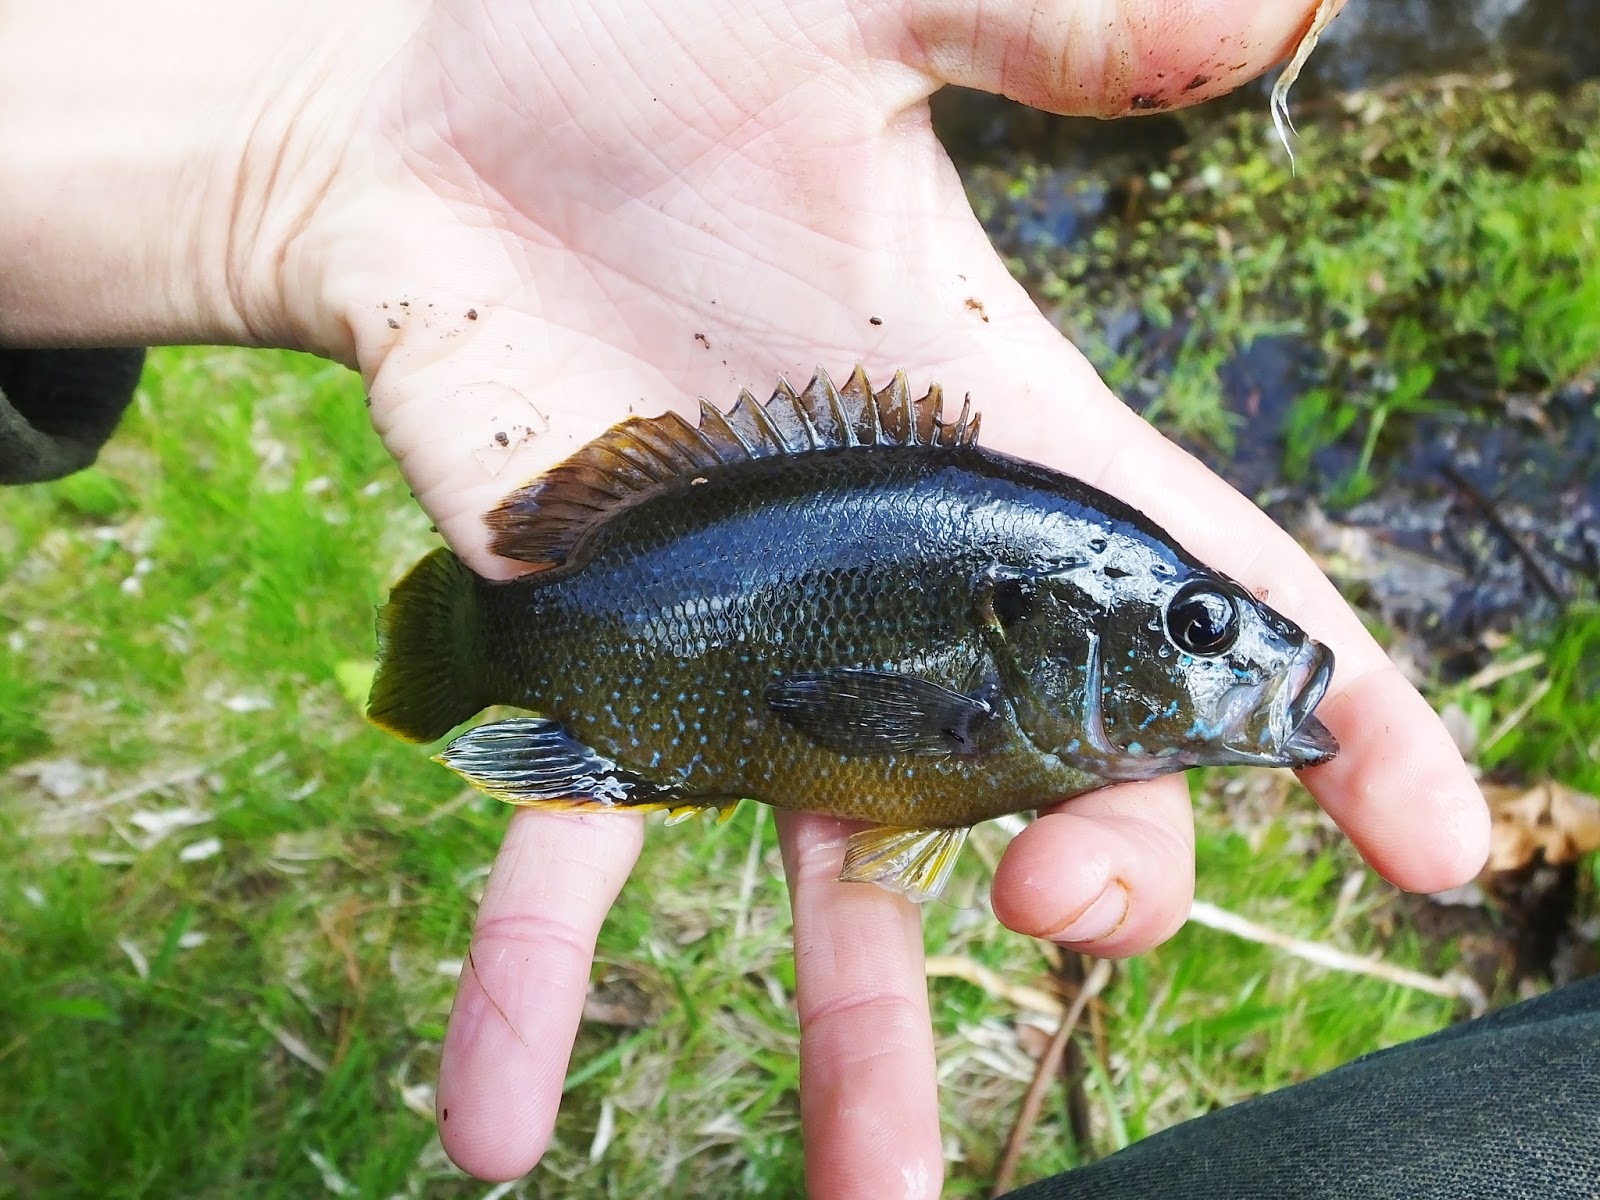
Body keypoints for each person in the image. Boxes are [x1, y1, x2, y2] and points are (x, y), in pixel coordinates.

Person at [14, 1, 1567, 1196]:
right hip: (597, 626)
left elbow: (856, 724)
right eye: (1200, 627)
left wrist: (331, 109)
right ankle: (483, 645)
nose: (1236, 653)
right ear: (1038, 627)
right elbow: (862, 722)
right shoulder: (1001, 664)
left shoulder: (1026, 640)